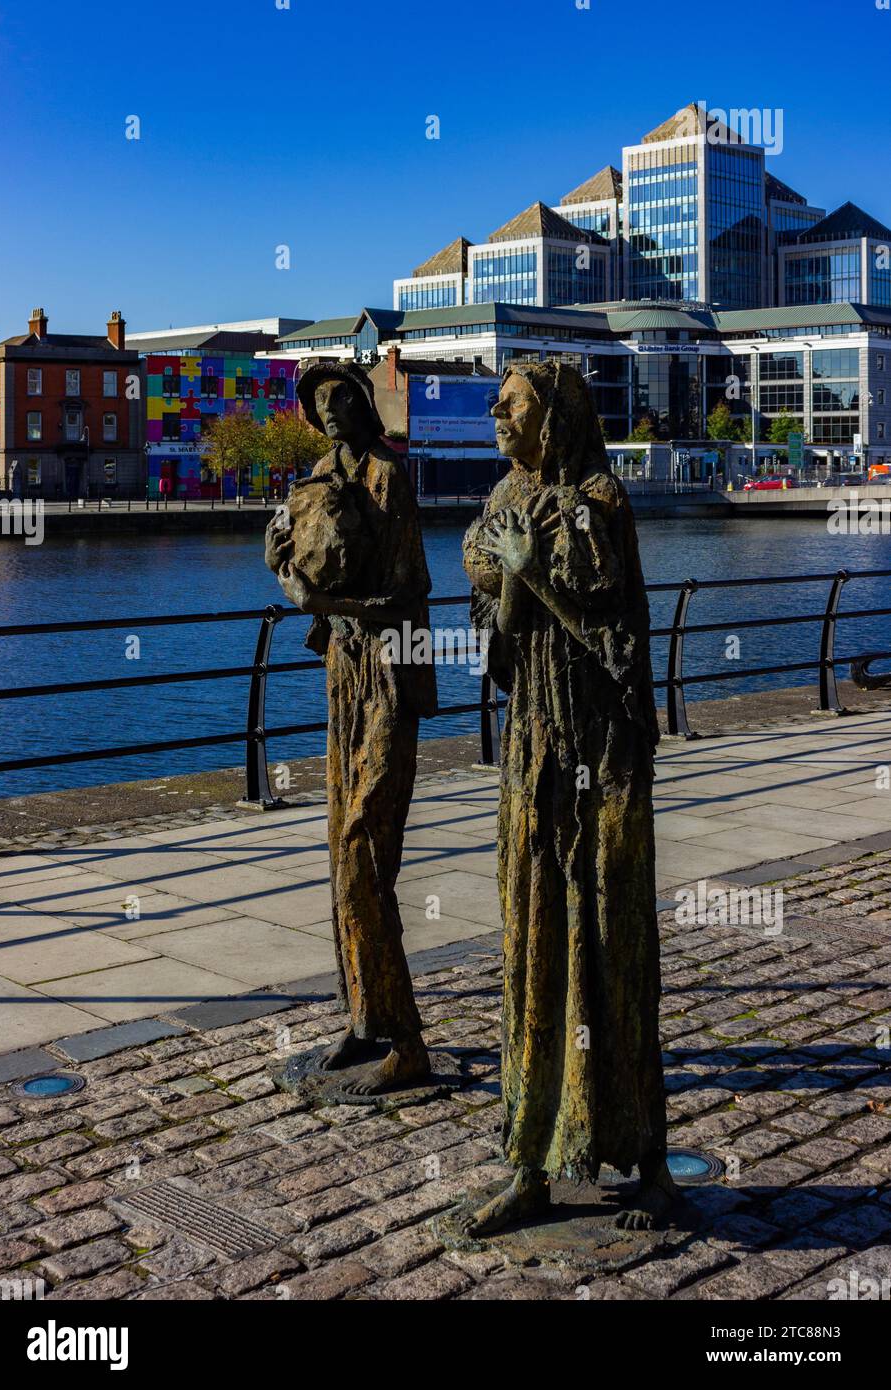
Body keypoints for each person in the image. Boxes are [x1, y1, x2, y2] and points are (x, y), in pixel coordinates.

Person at [459, 362, 674, 1234]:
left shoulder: (600, 500)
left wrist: (531, 570)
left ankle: (649, 1159)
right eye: (498, 405)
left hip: (603, 752)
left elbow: (613, 644)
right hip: (536, 749)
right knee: (534, 942)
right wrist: (516, 576)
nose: (495, 415)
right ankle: (532, 1162)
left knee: (614, 943)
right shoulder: (507, 493)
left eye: (511, 405)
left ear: (554, 413)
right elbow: (505, 640)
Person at [265, 363, 437, 1096]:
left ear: (365, 404)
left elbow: (410, 586)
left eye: (340, 397)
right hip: (343, 669)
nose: (329, 409)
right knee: (341, 849)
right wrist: (297, 582)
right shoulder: (320, 472)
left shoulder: (390, 475)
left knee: (367, 851)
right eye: (318, 402)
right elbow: (297, 553)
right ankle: (363, 1017)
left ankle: (406, 1039)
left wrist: (339, 605)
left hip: (390, 668)